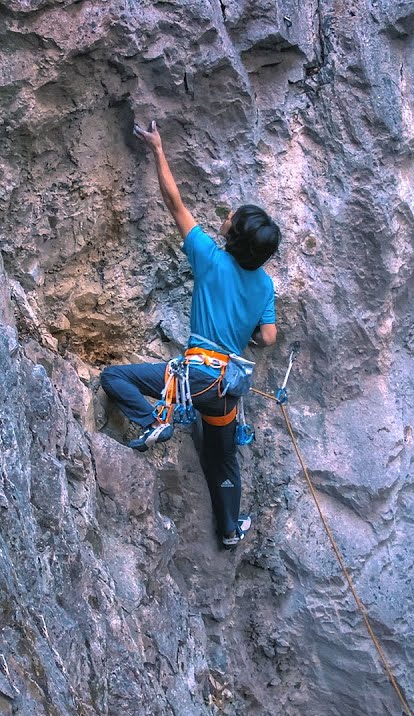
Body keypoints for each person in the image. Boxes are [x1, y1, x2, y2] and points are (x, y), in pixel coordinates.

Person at [100, 120, 280, 548]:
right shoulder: (264, 286)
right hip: (227, 389)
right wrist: (250, 335)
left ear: (234, 234)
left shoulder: (210, 259)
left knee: (115, 377)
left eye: (232, 217)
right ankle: (230, 530)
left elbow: (173, 202)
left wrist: (158, 150)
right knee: (223, 459)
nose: (227, 216)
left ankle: (153, 422)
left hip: (194, 378)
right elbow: (269, 336)